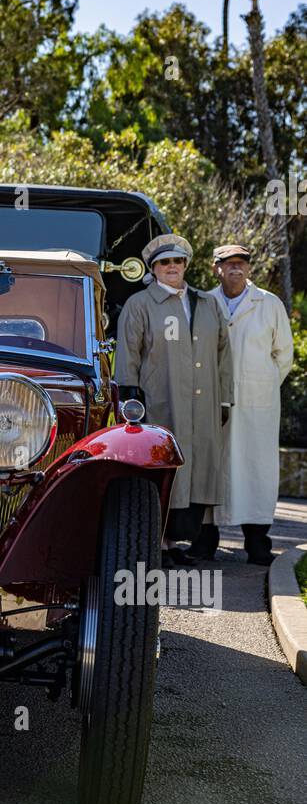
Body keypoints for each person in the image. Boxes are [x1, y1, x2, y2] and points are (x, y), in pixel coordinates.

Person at [115, 233, 233, 567]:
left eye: (178, 261)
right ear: (154, 268)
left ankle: (183, 540)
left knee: (198, 470)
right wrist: (129, 392)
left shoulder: (207, 303)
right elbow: (129, 351)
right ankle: (160, 544)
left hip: (204, 403)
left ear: (185, 265)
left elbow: (224, 353)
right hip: (161, 400)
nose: (172, 267)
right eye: (165, 262)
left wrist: (225, 399)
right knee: (165, 469)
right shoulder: (141, 304)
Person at [191, 244, 294, 565]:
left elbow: (283, 354)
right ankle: (204, 541)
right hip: (212, 400)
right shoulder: (204, 303)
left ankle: (258, 542)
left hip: (257, 403)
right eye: (229, 263)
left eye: (242, 263)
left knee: (255, 468)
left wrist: (261, 385)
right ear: (215, 268)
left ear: (249, 268)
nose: (236, 268)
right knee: (211, 465)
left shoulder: (269, 303)